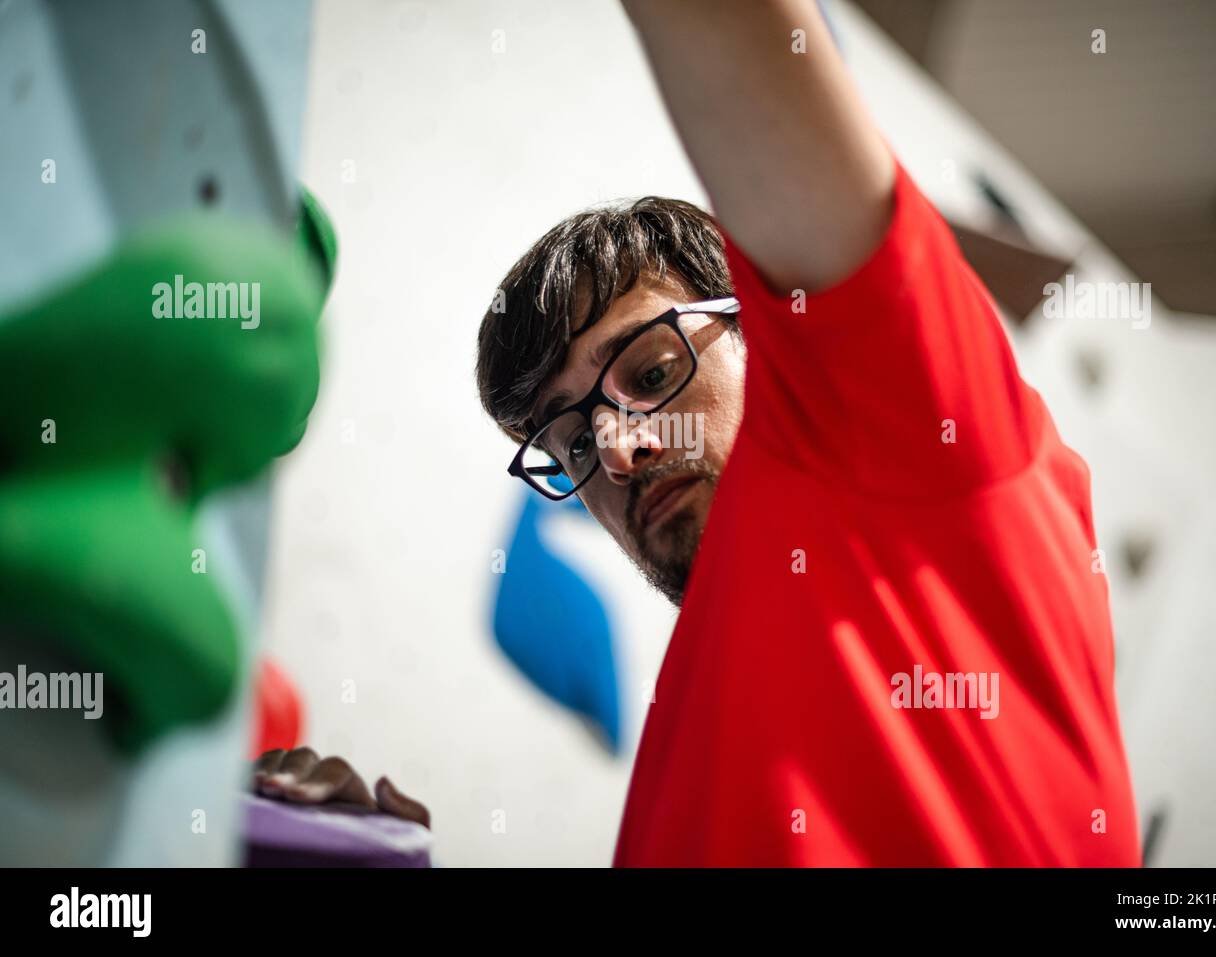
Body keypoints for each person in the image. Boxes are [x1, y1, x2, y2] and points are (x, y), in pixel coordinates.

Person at [257, 0, 1140, 866]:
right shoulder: (684, 746)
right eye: (570, 443)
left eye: (650, 373)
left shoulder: (913, 431)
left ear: (775, 327)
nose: (616, 449)